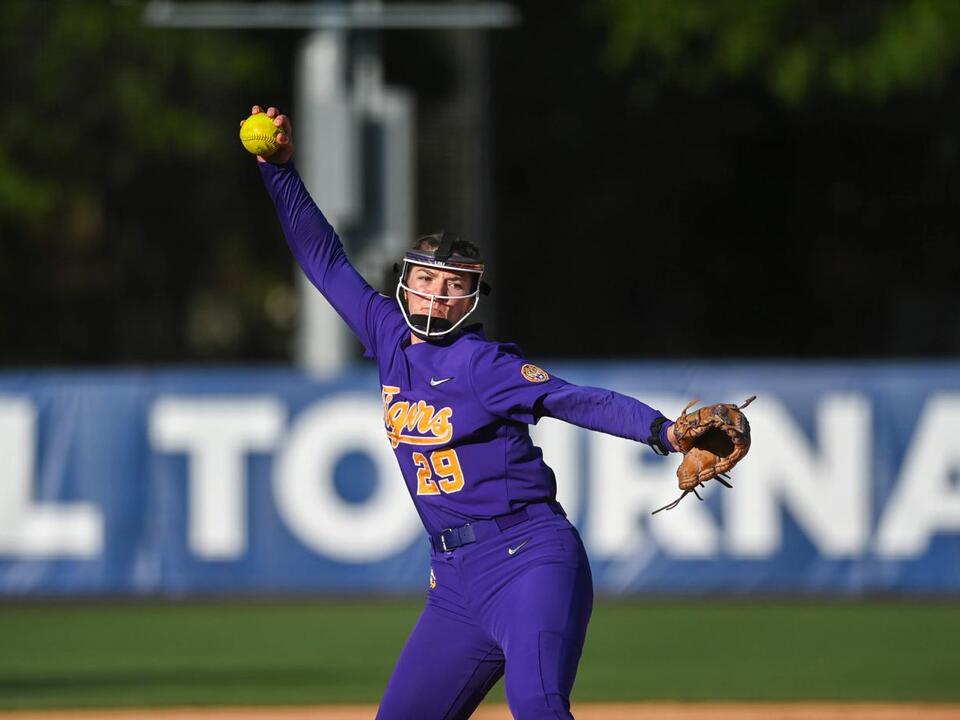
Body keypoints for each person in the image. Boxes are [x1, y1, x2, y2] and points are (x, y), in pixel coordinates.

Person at [246, 105, 680, 720]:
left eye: (454, 285)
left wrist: (664, 430)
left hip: (529, 559)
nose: (437, 292)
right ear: (406, 281)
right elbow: (323, 260)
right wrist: (280, 171)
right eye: (427, 277)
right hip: (453, 582)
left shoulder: (482, 365)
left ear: (469, 299)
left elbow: (573, 398)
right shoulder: (385, 333)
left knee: (538, 705)